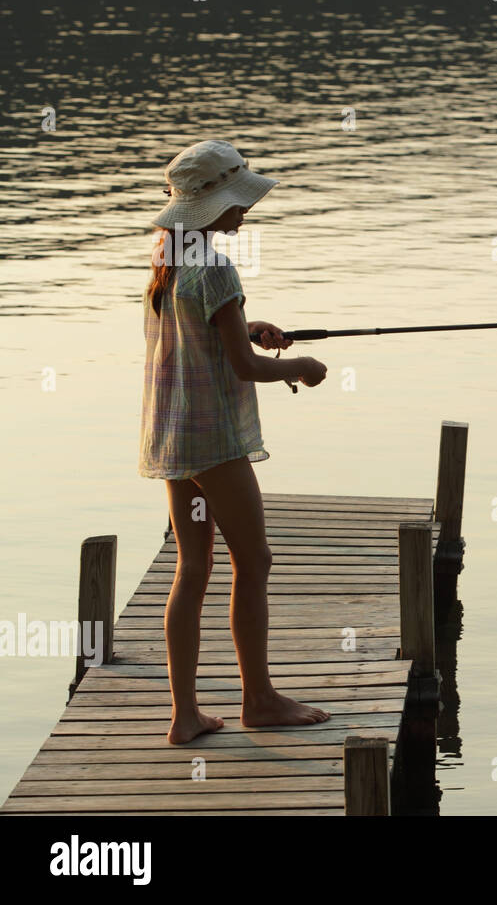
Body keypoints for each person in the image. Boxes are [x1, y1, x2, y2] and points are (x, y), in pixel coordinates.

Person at [139, 139, 331, 744]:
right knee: (255, 561)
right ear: (211, 205)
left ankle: (184, 715)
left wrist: (243, 327)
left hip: (173, 437)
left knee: (192, 566)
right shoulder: (217, 267)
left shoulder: (166, 259)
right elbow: (244, 369)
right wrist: (298, 366)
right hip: (215, 440)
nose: (244, 210)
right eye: (235, 201)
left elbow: (201, 338)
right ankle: (259, 699)